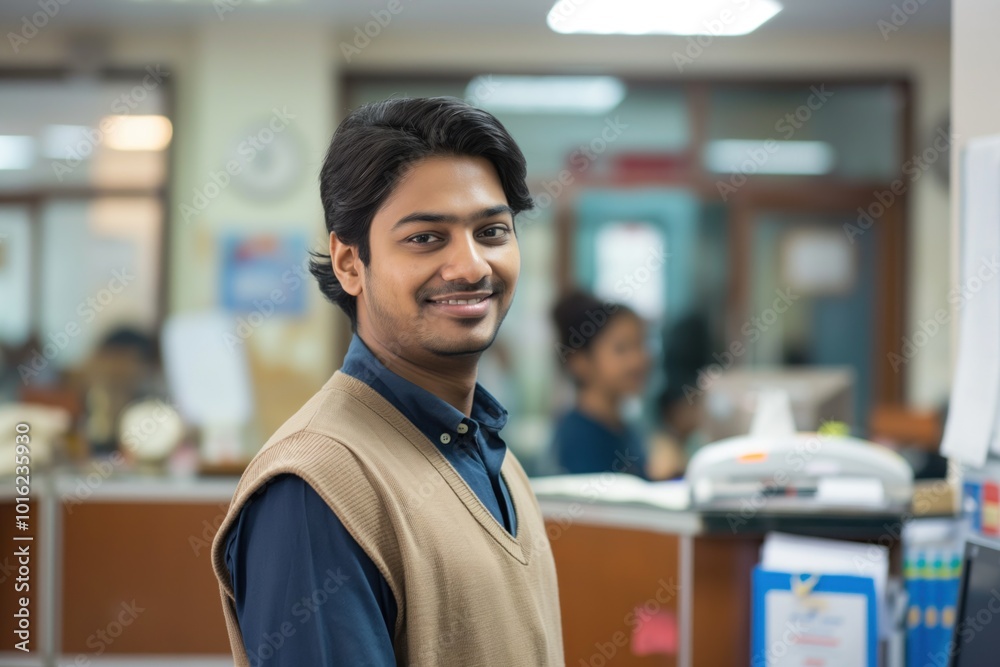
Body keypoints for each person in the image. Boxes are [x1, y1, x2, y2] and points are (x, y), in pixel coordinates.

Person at [210, 98, 564, 666]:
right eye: (427, 238)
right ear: (350, 263)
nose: (472, 266)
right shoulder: (314, 489)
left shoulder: (495, 457)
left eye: (492, 231)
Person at [550, 290, 651, 478]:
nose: (639, 359)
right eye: (622, 349)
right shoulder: (578, 438)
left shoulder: (626, 429)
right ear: (580, 362)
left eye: (642, 344)